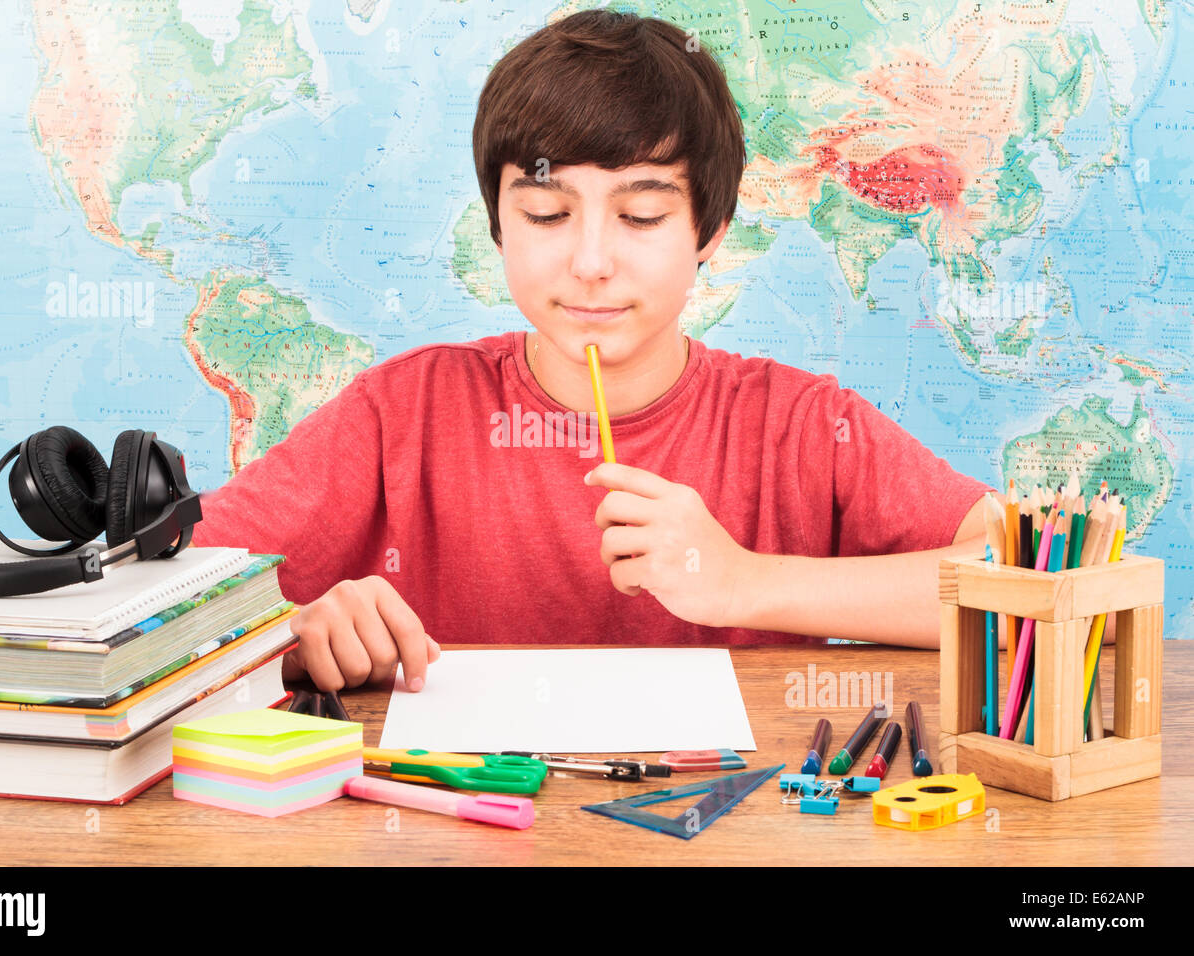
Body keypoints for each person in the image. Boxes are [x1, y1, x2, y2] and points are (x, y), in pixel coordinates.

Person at [192, 9, 998, 693]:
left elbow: (1036, 584)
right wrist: (296, 636)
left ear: (710, 232)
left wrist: (745, 580)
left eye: (641, 217)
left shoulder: (804, 426)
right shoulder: (400, 412)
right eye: (546, 213)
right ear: (499, 226)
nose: (588, 262)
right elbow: (157, 603)